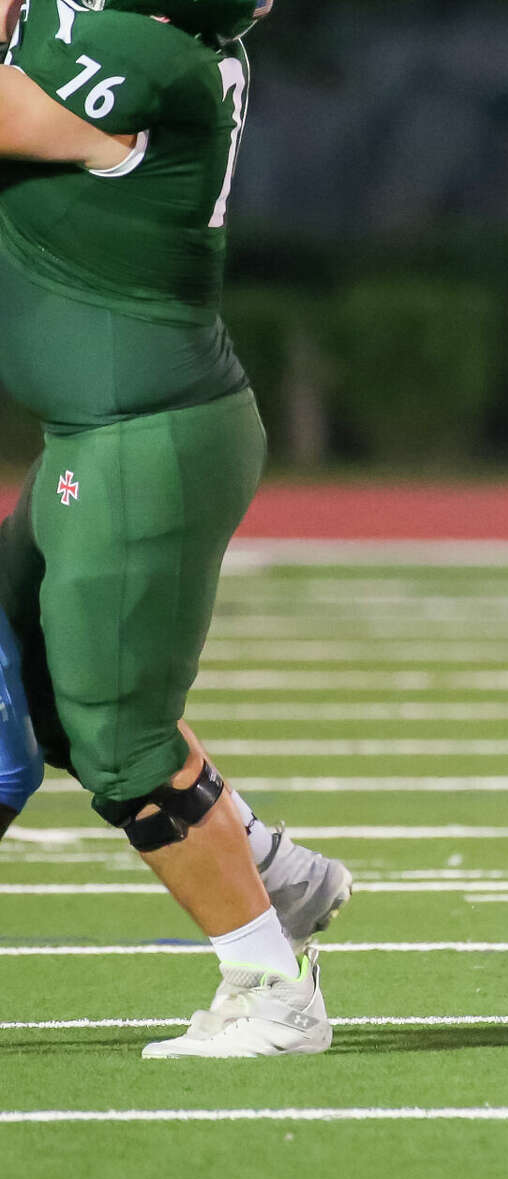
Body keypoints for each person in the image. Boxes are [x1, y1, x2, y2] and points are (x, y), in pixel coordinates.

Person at [0, 0, 350, 1057]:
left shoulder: (141, 56)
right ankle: (281, 873)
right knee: (47, 696)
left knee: (123, 740)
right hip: (109, 428)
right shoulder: (142, 39)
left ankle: (271, 986)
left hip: (137, 439)